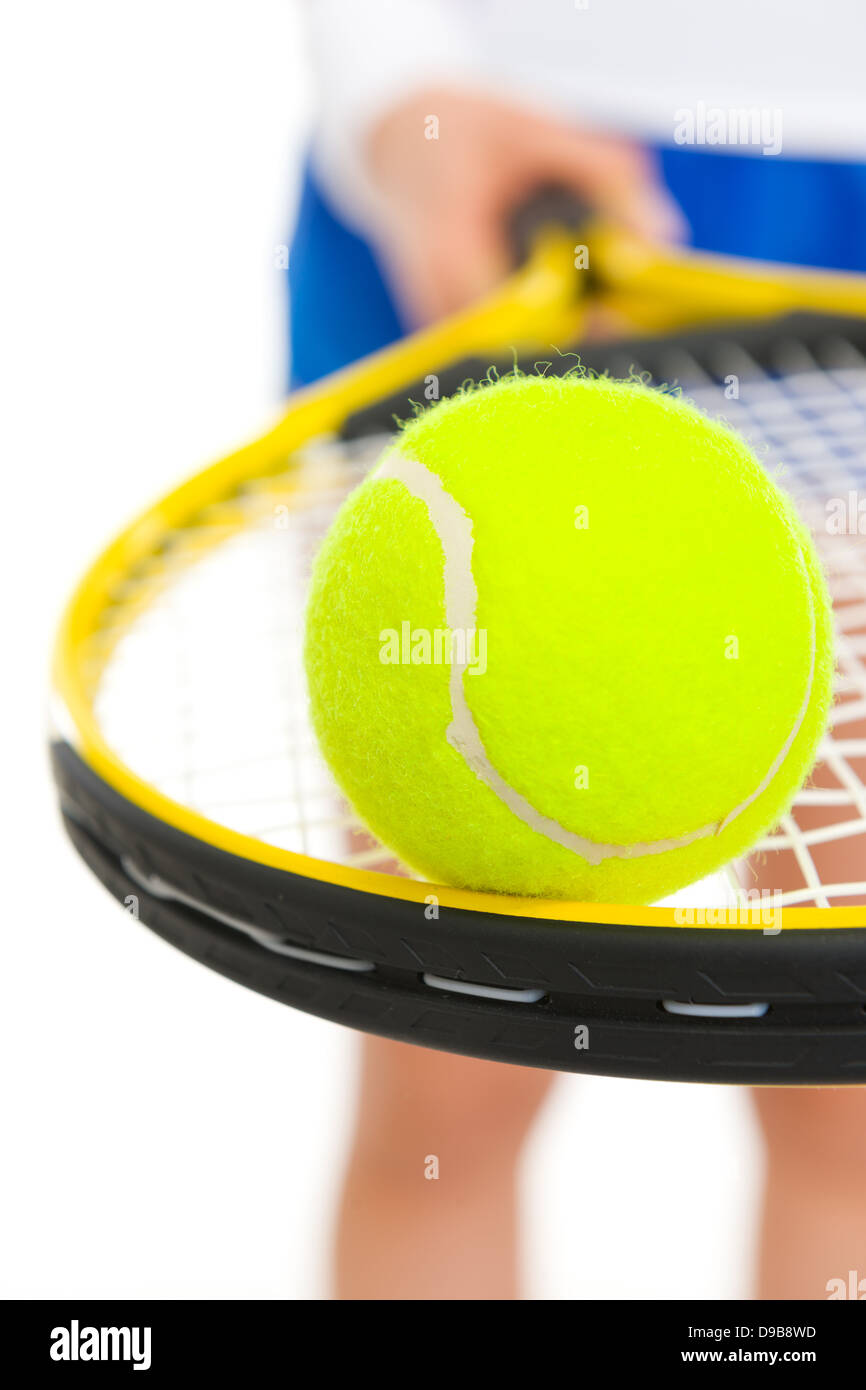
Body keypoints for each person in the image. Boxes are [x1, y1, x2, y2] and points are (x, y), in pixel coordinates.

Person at [291, 0, 866, 1300]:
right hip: (500, 159)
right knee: (448, 1090)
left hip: (845, 175)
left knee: (849, 1103)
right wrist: (396, 96)